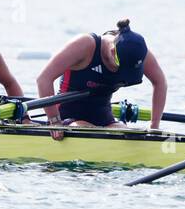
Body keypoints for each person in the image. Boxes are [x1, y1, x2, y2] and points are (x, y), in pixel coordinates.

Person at [35, 19, 166, 140]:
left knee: (129, 135)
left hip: (104, 117)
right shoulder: (85, 45)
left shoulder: (137, 52)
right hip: (66, 116)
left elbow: (160, 82)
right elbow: (44, 79)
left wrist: (154, 126)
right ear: (112, 51)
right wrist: (55, 122)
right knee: (85, 130)